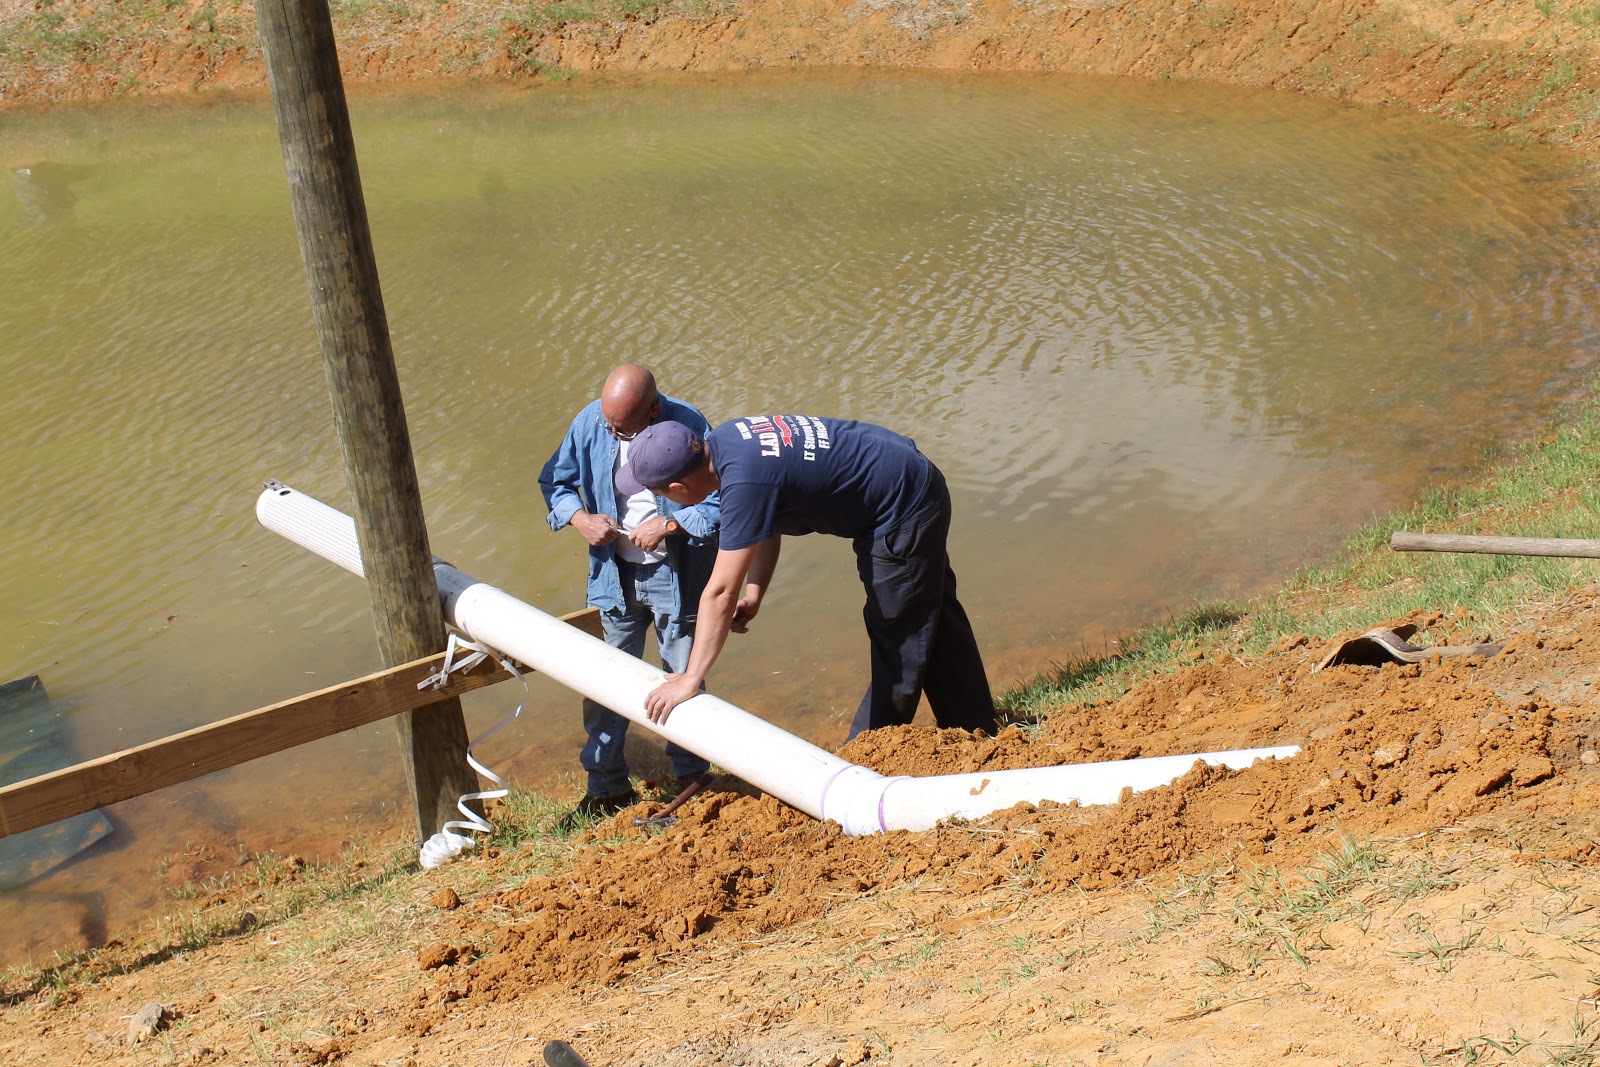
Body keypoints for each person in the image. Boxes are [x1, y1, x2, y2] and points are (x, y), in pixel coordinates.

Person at [615, 414, 997, 738]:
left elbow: (718, 591)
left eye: (657, 491)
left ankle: (870, 756)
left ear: (679, 488)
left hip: (902, 506)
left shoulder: (745, 482)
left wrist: (689, 678)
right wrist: (756, 592)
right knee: (932, 612)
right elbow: (765, 522)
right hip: (907, 474)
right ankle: (976, 727)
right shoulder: (728, 442)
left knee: (899, 632)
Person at [538, 365, 721, 825]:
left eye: (624, 427)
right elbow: (554, 483)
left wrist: (669, 523)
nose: (613, 433)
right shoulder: (590, 422)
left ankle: (693, 780)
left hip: (677, 576)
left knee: (682, 680)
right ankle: (605, 788)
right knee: (605, 682)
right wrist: (580, 518)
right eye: (609, 425)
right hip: (613, 576)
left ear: (654, 410)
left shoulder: (691, 427)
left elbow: (721, 498)